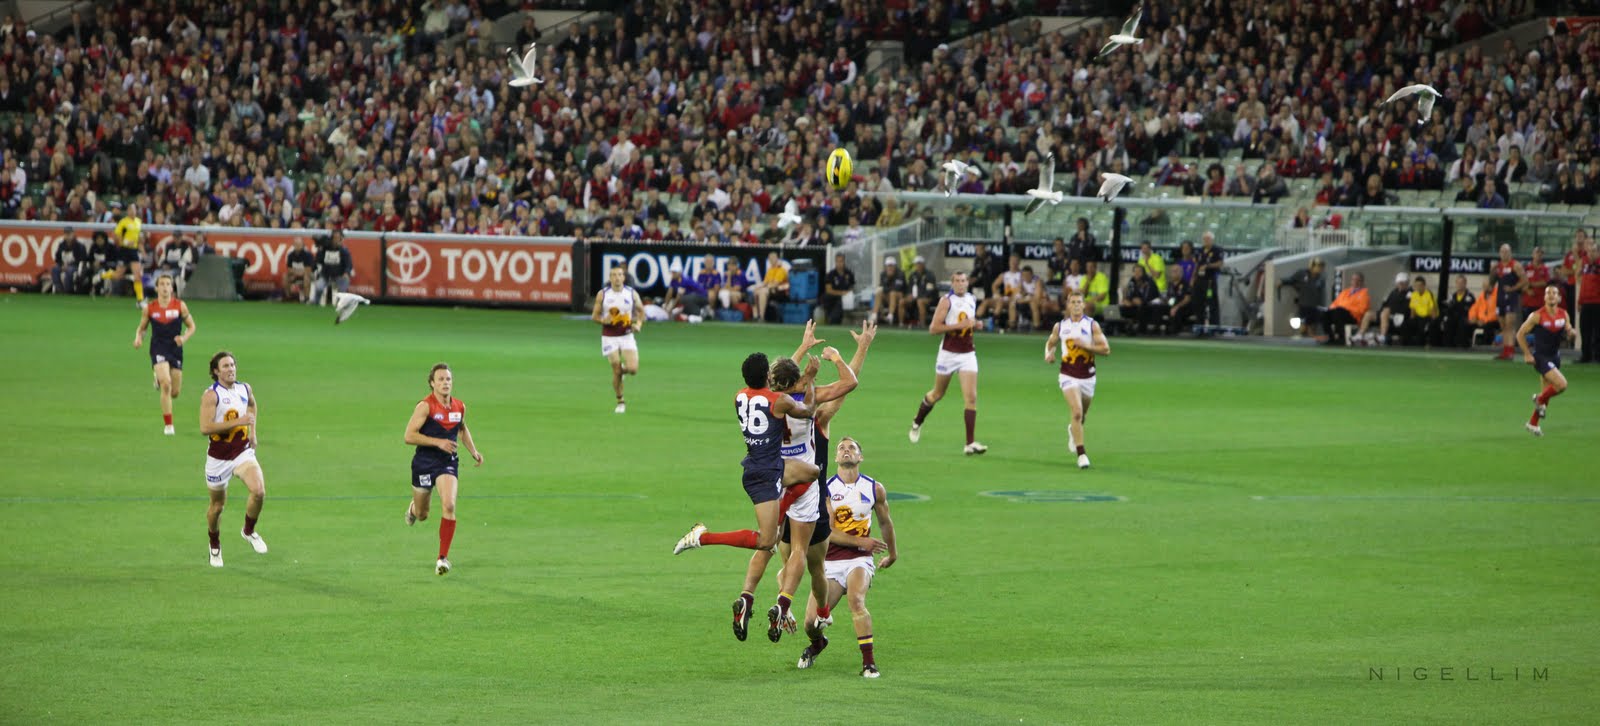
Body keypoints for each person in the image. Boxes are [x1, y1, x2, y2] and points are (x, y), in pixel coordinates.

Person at [671, 353, 820, 633]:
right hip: (766, 474)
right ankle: (703, 537)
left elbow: (769, 392)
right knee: (766, 541)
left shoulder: (739, 396)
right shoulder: (779, 401)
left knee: (811, 472)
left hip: (759, 466)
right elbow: (809, 410)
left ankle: (782, 510)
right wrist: (809, 378)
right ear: (767, 376)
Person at [796, 436, 898, 678]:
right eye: (841, 448)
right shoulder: (826, 489)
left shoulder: (874, 488)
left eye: (852, 447)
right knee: (810, 623)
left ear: (860, 457)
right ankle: (818, 643)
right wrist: (861, 541)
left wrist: (893, 553)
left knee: (856, 600)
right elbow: (827, 533)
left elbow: (885, 522)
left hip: (859, 561)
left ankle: (869, 664)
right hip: (828, 564)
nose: (846, 450)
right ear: (835, 458)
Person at [403, 363, 484, 575]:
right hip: (424, 462)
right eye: (440, 379)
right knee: (423, 514)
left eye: (448, 379)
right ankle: (413, 509)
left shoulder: (459, 407)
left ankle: (442, 558)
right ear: (432, 383)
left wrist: (474, 451)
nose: (445, 383)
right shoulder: (425, 407)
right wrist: (438, 442)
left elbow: (462, 428)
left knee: (449, 505)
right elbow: (409, 436)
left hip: (447, 462)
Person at [198, 351, 267, 568]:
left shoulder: (244, 388)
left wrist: (252, 431)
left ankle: (248, 531)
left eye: (233, 365)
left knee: (258, 491)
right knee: (217, 507)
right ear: (216, 371)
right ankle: (214, 543)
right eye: (225, 366)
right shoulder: (211, 395)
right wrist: (240, 421)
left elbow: (252, 407)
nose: (231, 369)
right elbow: (205, 428)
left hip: (242, 452)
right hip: (218, 458)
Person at [909, 270, 986, 454]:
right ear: (952, 283)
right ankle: (917, 422)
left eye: (963, 280)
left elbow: (968, 322)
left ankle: (969, 443)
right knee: (937, 394)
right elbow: (934, 328)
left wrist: (976, 324)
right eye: (957, 281)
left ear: (967, 283)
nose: (961, 283)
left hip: (967, 354)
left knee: (971, 397)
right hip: (948, 355)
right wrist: (959, 326)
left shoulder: (971, 299)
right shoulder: (946, 301)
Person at [1046, 290, 1111, 469]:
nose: (1075, 305)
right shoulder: (1060, 326)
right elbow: (1050, 342)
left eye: (1078, 302)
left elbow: (1106, 350)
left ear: (1084, 305)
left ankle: (1072, 430)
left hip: (1088, 376)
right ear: (1068, 305)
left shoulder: (1092, 326)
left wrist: (1086, 346)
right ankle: (1082, 454)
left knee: (1082, 416)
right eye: (1072, 302)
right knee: (1076, 412)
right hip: (1067, 374)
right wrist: (1049, 353)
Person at [133, 273, 197, 435]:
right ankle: (169, 425)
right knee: (166, 384)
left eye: (168, 284)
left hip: (175, 348)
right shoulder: (150, 308)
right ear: (157, 288)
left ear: (172, 288)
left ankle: (158, 379)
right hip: (158, 347)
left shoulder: (180, 306)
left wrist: (184, 338)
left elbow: (192, 327)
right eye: (162, 284)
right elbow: (142, 328)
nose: (165, 287)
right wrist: (138, 338)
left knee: (174, 392)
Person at [1517, 286, 1577, 436]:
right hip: (1541, 358)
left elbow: (1569, 331)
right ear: (1544, 298)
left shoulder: (1563, 314)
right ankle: (1538, 399)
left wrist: (1572, 334)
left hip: (1555, 357)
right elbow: (1520, 334)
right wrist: (1527, 354)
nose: (1551, 296)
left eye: (1554, 293)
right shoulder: (1537, 316)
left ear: (1559, 298)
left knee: (1547, 393)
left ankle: (1533, 423)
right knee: (1562, 385)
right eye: (1548, 293)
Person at [592, 266, 644, 413]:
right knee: (616, 369)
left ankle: (622, 371)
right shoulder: (602, 294)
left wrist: (639, 324)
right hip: (609, 337)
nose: (616, 278)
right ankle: (620, 401)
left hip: (626, 335)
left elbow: (641, 311)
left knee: (633, 369)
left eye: (619, 275)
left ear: (623, 277)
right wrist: (603, 321)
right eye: (613, 275)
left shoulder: (632, 293)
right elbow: (594, 316)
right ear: (610, 278)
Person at [105, 203, 147, 306]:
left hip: (133, 251)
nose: (132, 211)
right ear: (127, 211)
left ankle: (140, 300)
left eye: (134, 209)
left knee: (137, 275)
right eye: (130, 209)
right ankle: (103, 275)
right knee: (118, 275)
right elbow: (116, 236)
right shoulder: (123, 222)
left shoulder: (138, 222)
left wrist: (142, 251)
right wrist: (125, 242)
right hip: (124, 250)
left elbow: (139, 239)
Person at [1492, 244, 1526, 360]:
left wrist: (1513, 288)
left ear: (1510, 253)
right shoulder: (1498, 267)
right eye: (1502, 251)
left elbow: (1524, 281)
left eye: (1506, 251)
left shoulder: (1515, 265)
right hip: (1500, 297)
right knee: (1503, 326)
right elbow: (1491, 282)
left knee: (1509, 325)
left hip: (1511, 297)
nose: (1504, 254)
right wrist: (1492, 271)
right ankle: (1505, 350)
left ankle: (1510, 351)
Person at [1278, 258, 1325, 338]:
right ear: (1312, 266)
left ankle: (1309, 341)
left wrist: (1321, 306)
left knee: (1312, 328)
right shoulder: (1302, 273)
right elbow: (1292, 280)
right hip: (1304, 304)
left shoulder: (1320, 279)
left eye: (1321, 267)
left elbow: (1320, 293)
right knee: (1303, 327)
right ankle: (1299, 337)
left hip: (1314, 306)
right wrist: (1283, 282)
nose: (1320, 269)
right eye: (1319, 266)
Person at [1322, 272, 1370, 346]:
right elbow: (1335, 303)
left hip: (1353, 315)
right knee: (1326, 314)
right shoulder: (1345, 292)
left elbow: (1362, 309)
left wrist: (1346, 308)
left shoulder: (1364, 294)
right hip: (1339, 311)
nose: (1355, 282)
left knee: (1339, 312)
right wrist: (1331, 309)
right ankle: (1331, 337)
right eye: (1353, 280)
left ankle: (1341, 337)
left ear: (1361, 282)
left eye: (1358, 280)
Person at [311, 231, 353, 306]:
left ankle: (339, 305)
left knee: (343, 289)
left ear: (341, 239)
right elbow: (317, 261)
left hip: (339, 276)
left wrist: (346, 273)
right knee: (319, 287)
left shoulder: (344, 251)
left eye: (338, 238)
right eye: (334, 238)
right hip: (325, 275)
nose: (336, 240)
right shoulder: (324, 250)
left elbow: (349, 264)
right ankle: (315, 303)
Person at [1371, 272, 1412, 346]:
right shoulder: (1393, 292)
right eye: (1400, 283)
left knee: (1385, 313)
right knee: (1369, 314)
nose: (1401, 285)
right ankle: (1360, 335)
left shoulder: (1410, 293)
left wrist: (1390, 310)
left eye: (1403, 283)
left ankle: (1383, 336)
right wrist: (1381, 310)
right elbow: (1385, 303)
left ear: (1407, 283)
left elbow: (1406, 308)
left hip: (1399, 317)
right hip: (1388, 314)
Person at [1120, 265, 1159, 335]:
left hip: (1149, 305)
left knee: (1143, 308)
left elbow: (1148, 297)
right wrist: (1126, 300)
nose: (1137, 273)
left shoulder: (1149, 282)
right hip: (1134, 304)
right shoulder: (1132, 281)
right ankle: (1124, 329)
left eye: (1139, 271)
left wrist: (1139, 301)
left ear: (1143, 273)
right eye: (1135, 271)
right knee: (1122, 308)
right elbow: (1129, 295)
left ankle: (1141, 330)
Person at [1194, 231, 1224, 325]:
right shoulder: (1200, 250)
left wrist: (1207, 266)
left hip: (1210, 281)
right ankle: (1200, 325)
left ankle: (1214, 325)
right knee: (1199, 303)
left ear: (1212, 240)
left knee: (1212, 302)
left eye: (1208, 239)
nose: (1206, 241)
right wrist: (1193, 278)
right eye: (1204, 239)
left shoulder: (1217, 250)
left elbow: (1220, 263)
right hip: (1199, 280)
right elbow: (1196, 264)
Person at [1440, 275, 1477, 348]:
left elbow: (1470, 310)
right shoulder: (1452, 296)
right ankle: (1447, 346)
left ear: (1465, 284)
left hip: (1464, 319)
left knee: (1462, 322)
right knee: (1448, 322)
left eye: (1461, 283)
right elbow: (1447, 309)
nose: (1459, 285)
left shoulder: (1470, 297)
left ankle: (1462, 346)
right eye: (1458, 283)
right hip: (1453, 319)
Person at [1403, 276, 1439, 346]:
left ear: (1424, 286)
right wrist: (1412, 320)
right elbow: (1412, 310)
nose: (1418, 287)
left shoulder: (1429, 294)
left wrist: (1431, 322)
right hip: (1418, 317)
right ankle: (1407, 345)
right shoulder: (1414, 294)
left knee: (1425, 328)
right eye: (1416, 286)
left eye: (1419, 285)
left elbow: (1433, 312)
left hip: (1428, 317)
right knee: (1406, 325)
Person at [903, 255, 938, 326]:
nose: (917, 266)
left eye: (919, 264)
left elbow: (930, 290)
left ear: (923, 264)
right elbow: (909, 287)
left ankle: (922, 324)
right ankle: (901, 323)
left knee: (920, 301)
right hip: (915, 297)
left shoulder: (929, 275)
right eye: (916, 264)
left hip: (929, 298)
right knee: (902, 301)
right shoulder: (913, 275)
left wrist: (918, 296)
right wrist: (909, 295)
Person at [51, 230, 88, 294]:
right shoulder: (61, 245)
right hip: (63, 265)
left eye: (69, 234)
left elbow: (82, 259)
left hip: (75, 266)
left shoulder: (79, 246)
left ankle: (68, 290)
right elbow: (57, 258)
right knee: (55, 269)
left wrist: (69, 265)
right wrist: (62, 264)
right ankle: (59, 289)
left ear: (73, 235)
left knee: (69, 270)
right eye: (66, 234)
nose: (67, 236)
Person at [872, 256, 906, 325]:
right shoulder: (883, 274)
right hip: (888, 295)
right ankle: (874, 315)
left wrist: (886, 287)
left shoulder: (900, 274)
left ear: (895, 266)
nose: (890, 268)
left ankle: (890, 316)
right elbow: (882, 287)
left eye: (891, 265)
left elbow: (897, 288)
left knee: (892, 293)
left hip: (899, 295)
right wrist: (888, 279)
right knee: (879, 293)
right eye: (888, 266)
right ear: (886, 266)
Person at [1521, 247, 1551, 319]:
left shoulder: (1545, 269)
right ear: (1533, 254)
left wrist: (1530, 284)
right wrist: (1527, 290)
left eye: (1541, 253)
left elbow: (1545, 282)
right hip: (1527, 303)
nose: (1538, 255)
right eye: (1537, 253)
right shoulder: (1526, 268)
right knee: (1527, 327)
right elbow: (1521, 283)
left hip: (1540, 304)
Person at [284, 238, 315, 303]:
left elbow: (308, 270)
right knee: (285, 277)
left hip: (308, 275)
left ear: (302, 245)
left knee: (306, 277)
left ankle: (306, 298)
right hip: (295, 275)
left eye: (299, 244)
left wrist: (296, 273)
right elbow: (289, 269)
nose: (297, 246)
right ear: (293, 245)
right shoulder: (290, 255)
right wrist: (295, 274)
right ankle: (288, 297)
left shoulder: (307, 255)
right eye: (296, 244)